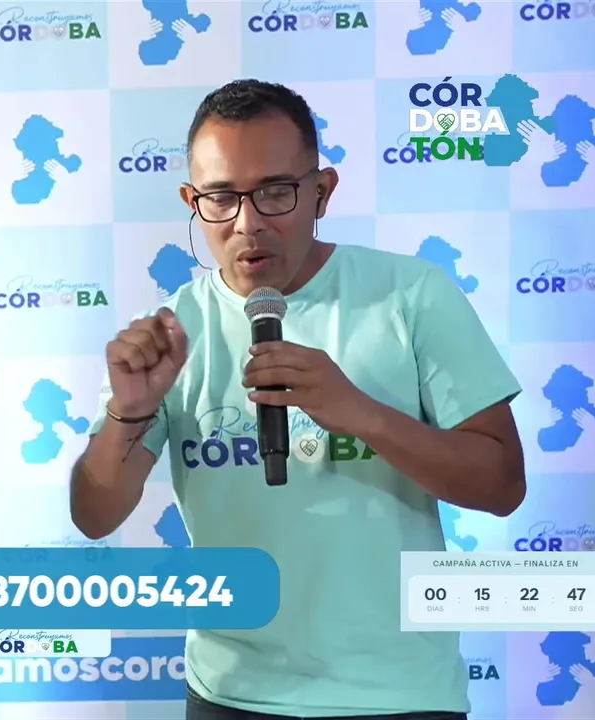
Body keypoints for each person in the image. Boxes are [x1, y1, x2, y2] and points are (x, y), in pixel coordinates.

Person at [69, 80, 526, 719]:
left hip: (397, 695)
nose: (248, 222)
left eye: (276, 191)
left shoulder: (412, 294)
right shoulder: (171, 332)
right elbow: (94, 515)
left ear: (322, 191)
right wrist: (129, 412)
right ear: (193, 202)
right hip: (231, 692)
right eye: (221, 198)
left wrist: (361, 413)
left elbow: (502, 485)